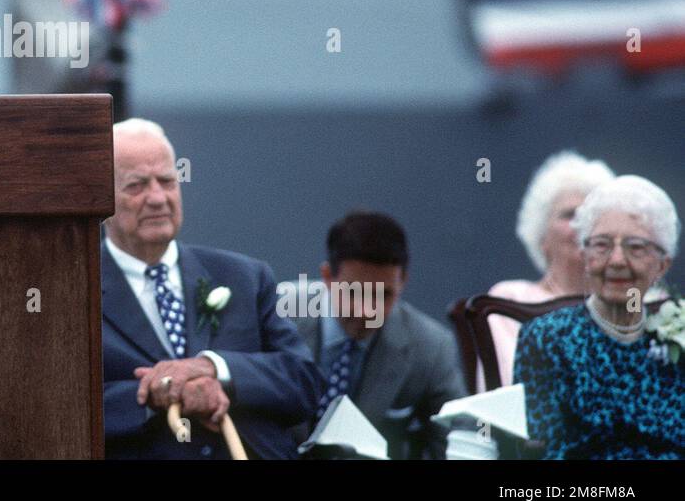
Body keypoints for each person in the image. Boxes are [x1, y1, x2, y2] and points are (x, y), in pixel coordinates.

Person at [101, 118, 322, 459]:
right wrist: (157, 395)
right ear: (100, 196)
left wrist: (216, 369)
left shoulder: (244, 277)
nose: (158, 198)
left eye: (167, 181)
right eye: (136, 185)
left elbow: (303, 382)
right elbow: (55, 406)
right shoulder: (73, 292)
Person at [515, 175, 683, 459]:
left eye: (636, 247)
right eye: (602, 245)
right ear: (585, 256)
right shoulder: (547, 338)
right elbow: (541, 452)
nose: (617, 260)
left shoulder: (675, 338)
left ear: (661, 266)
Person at [289, 211, 467, 459]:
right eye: (354, 293)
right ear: (328, 277)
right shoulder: (274, 316)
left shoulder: (431, 347)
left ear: (403, 281)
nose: (367, 311)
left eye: (383, 295)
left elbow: (454, 444)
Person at [482, 151, 615, 389]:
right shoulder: (509, 299)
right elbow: (508, 384)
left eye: (592, 215)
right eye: (569, 214)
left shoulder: (642, 302)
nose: (582, 224)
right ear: (541, 235)